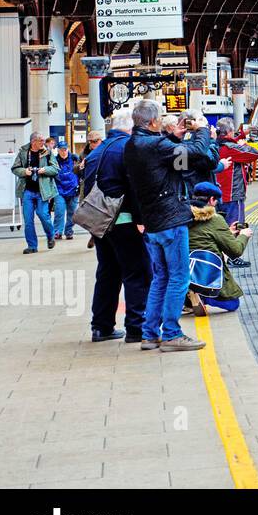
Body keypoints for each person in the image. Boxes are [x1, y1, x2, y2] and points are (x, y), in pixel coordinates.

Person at [122, 101, 220, 352]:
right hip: (171, 220)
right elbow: (197, 154)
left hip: (153, 221)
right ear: (154, 122)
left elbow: (167, 158)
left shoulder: (133, 145)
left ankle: (150, 333)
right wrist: (200, 129)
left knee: (160, 278)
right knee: (179, 277)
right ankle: (172, 334)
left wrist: (171, 136)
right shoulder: (155, 145)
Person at [82, 109, 150, 343]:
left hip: (100, 223)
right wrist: (141, 220)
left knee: (108, 273)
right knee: (138, 272)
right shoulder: (126, 149)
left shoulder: (96, 152)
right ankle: (136, 327)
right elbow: (134, 188)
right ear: (130, 127)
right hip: (123, 220)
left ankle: (101, 327)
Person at [184, 181, 250, 316]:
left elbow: (204, 235)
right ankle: (202, 297)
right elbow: (235, 251)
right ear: (211, 200)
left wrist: (228, 232)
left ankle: (189, 299)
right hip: (206, 273)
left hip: (185, 273)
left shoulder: (184, 215)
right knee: (233, 304)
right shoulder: (215, 219)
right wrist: (243, 236)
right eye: (216, 201)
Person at [12, 132, 58, 253]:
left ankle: (50, 235)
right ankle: (32, 246)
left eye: (43, 140)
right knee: (28, 220)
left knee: (43, 215)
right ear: (33, 142)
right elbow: (15, 168)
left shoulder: (47, 152)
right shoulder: (23, 152)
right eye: (41, 140)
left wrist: (45, 170)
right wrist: (24, 171)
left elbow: (56, 169)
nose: (43, 142)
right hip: (27, 191)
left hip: (42, 191)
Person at [215, 117, 258, 226]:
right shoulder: (231, 149)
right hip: (232, 196)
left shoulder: (213, 145)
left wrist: (242, 134)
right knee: (236, 229)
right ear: (230, 132)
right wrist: (244, 144)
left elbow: (228, 141)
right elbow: (254, 154)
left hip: (217, 196)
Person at [52, 139, 80, 240]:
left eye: (65, 150)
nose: (63, 152)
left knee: (72, 213)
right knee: (59, 211)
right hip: (59, 190)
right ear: (58, 150)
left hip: (73, 190)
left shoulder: (74, 158)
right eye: (61, 150)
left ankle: (68, 231)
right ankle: (58, 232)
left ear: (68, 149)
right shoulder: (54, 160)